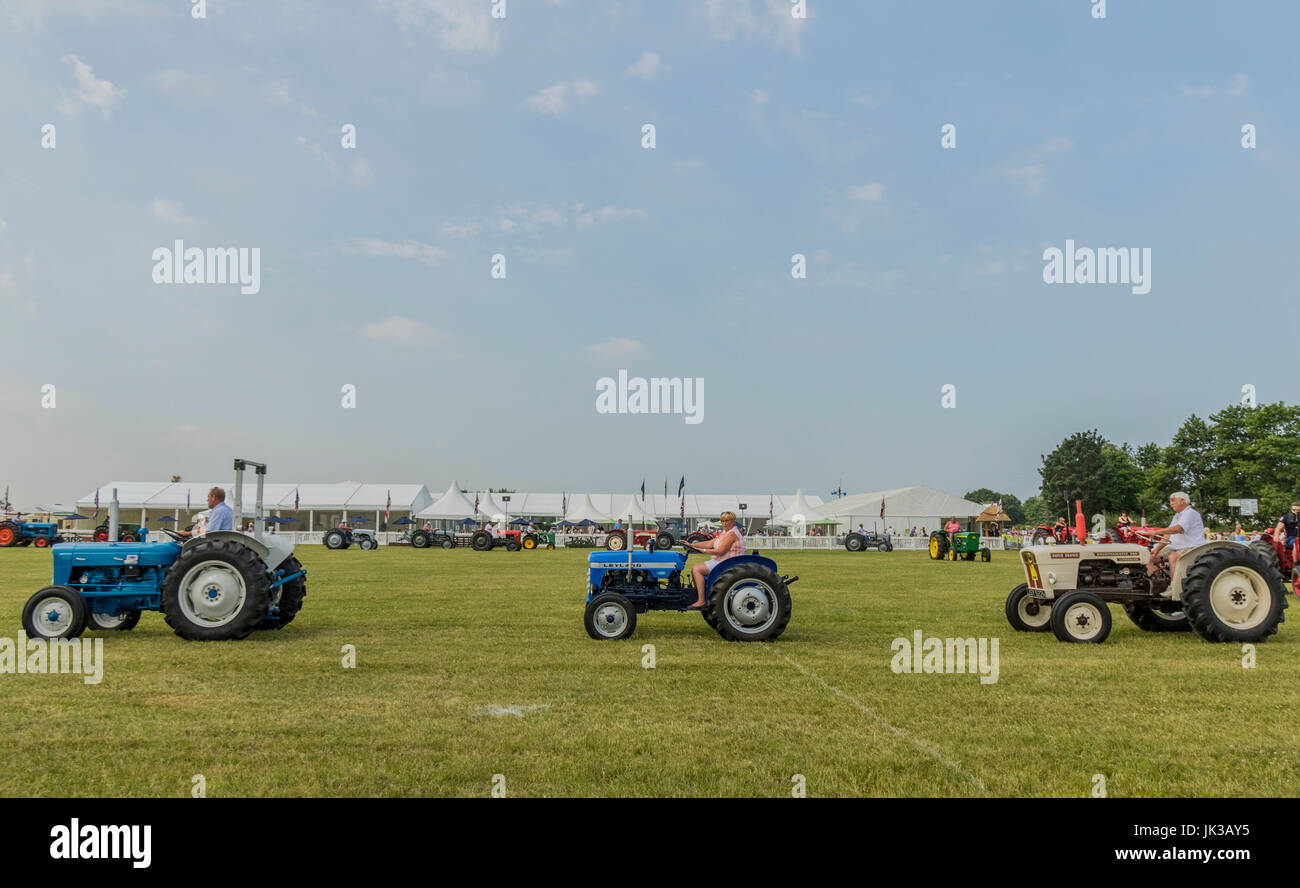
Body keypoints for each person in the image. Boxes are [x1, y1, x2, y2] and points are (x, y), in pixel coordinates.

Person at [682, 511, 744, 608]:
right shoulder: (725, 533)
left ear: (733, 521)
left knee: (697, 569)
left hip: (728, 563)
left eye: (727, 521)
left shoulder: (732, 534)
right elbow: (710, 543)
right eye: (723, 521)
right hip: (721, 560)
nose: (724, 523)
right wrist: (691, 544)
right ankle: (700, 595)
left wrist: (703, 551)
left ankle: (701, 601)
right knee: (696, 568)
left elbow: (720, 551)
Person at [1145, 492, 1206, 583]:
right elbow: (1168, 535)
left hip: (1191, 547)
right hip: (1176, 547)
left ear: (1182, 501)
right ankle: (1156, 584)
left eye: (1173, 500)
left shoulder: (1190, 513)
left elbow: (1178, 529)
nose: (1171, 503)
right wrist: (1157, 549)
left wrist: (1156, 532)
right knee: (1149, 558)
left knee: (1173, 557)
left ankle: (1174, 589)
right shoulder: (1177, 516)